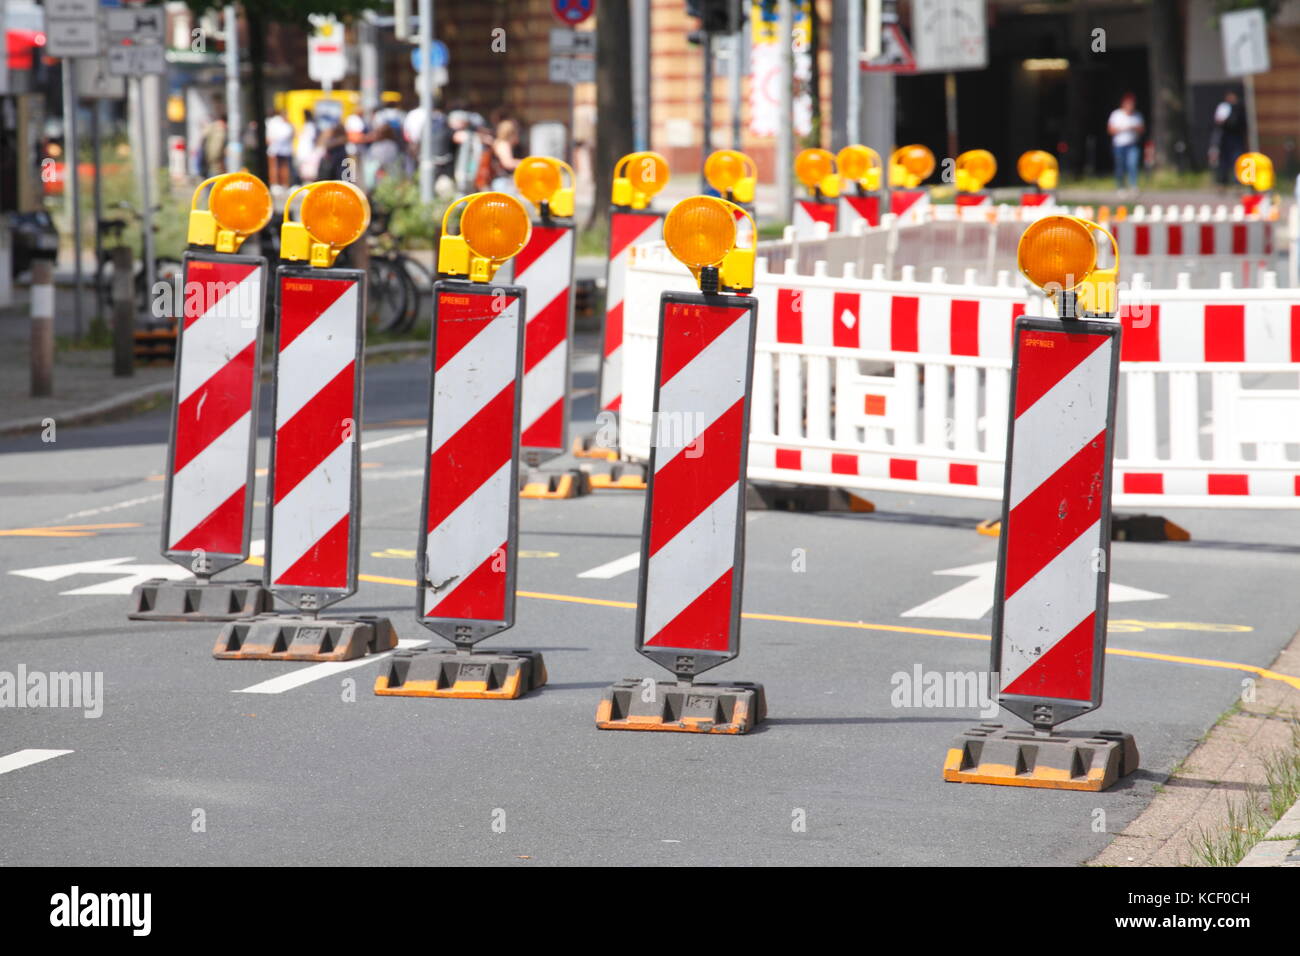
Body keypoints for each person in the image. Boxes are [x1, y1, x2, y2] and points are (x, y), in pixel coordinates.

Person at [1107, 93, 1144, 196]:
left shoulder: (1137, 115)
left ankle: (1133, 186)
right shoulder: (1116, 114)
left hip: (1132, 144)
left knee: (1132, 165)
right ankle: (1120, 187)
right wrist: (1121, 129)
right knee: (1120, 166)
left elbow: (1141, 129)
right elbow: (1110, 130)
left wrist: (1133, 128)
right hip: (1119, 145)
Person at [1210, 90, 1247, 187]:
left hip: (1236, 138)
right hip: (1225, 138)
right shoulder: (1224, 107)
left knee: (1237, 160)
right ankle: (1223, 181)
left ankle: (1237, 181)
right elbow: (1218, 122)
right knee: (1224, 161)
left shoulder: (1239, 108)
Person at [265, 109, 294, 189]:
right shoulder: (275, 122)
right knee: (274, 167)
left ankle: (283, 184)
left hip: (284, 150)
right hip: (275, 149)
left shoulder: (287, 124)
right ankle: (274, 184)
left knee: (283, 168)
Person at [201, 113, 228, 179]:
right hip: (215, 160)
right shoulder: (220, 130)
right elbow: (217, 148)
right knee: (216, 177)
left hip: (208, 157)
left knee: (211, 175)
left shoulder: (211, 127)